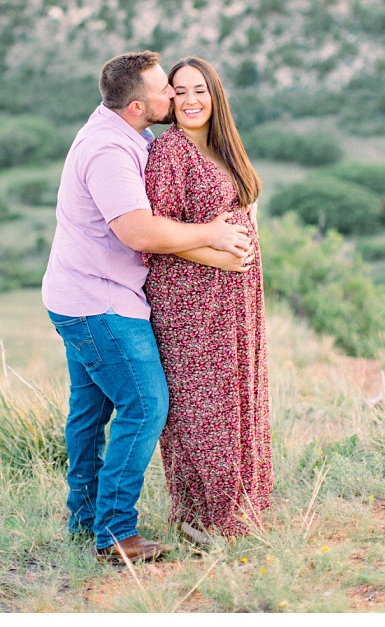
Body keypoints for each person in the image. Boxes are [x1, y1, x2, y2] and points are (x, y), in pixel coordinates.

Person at [41, 50, 252, 564]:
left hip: (78, 292)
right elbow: (137, 231)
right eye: (165, 91)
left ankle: (85, 517)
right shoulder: (110, 152)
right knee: (146, 405)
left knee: (90, 413)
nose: (174, 98)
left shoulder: (118, 130)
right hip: (99, 303)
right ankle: (115, 533)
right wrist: (214, 235)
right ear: (137, 106)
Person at [143, 56, 273, 541]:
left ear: (215, 94)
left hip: (235, 301)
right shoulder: (170, 152)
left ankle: (243, 505)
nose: (191, 100)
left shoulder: (223, 148)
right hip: (191, 299)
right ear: (168, 100)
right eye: (180, 91)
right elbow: (159, 230)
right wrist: (218, 256)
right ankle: (207, 518)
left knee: (238, 393)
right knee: (203, 406)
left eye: (200, 89)